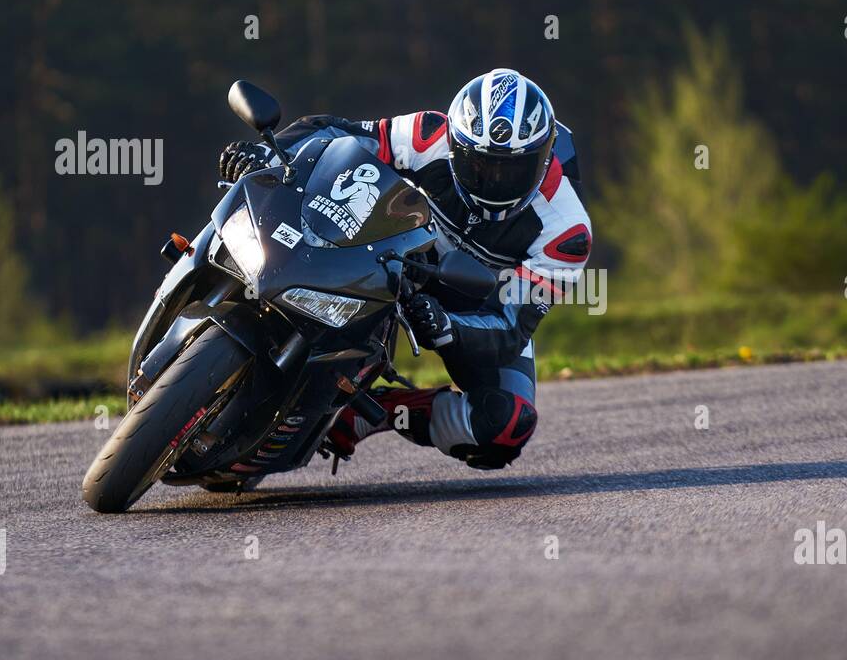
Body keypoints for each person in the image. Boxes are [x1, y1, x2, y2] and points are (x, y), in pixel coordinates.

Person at [217, 68, 592, 469]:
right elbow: (335, 134)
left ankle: (363, 413)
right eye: (478, 164)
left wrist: (448, 326)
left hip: (474, 307)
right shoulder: (429, 133)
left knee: (505, 424)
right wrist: (273, 155)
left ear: (544, 158)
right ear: (455, 143)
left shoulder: (567, 232)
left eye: (511, 170)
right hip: (393, 256)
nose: (492, 180)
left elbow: (511, 326)